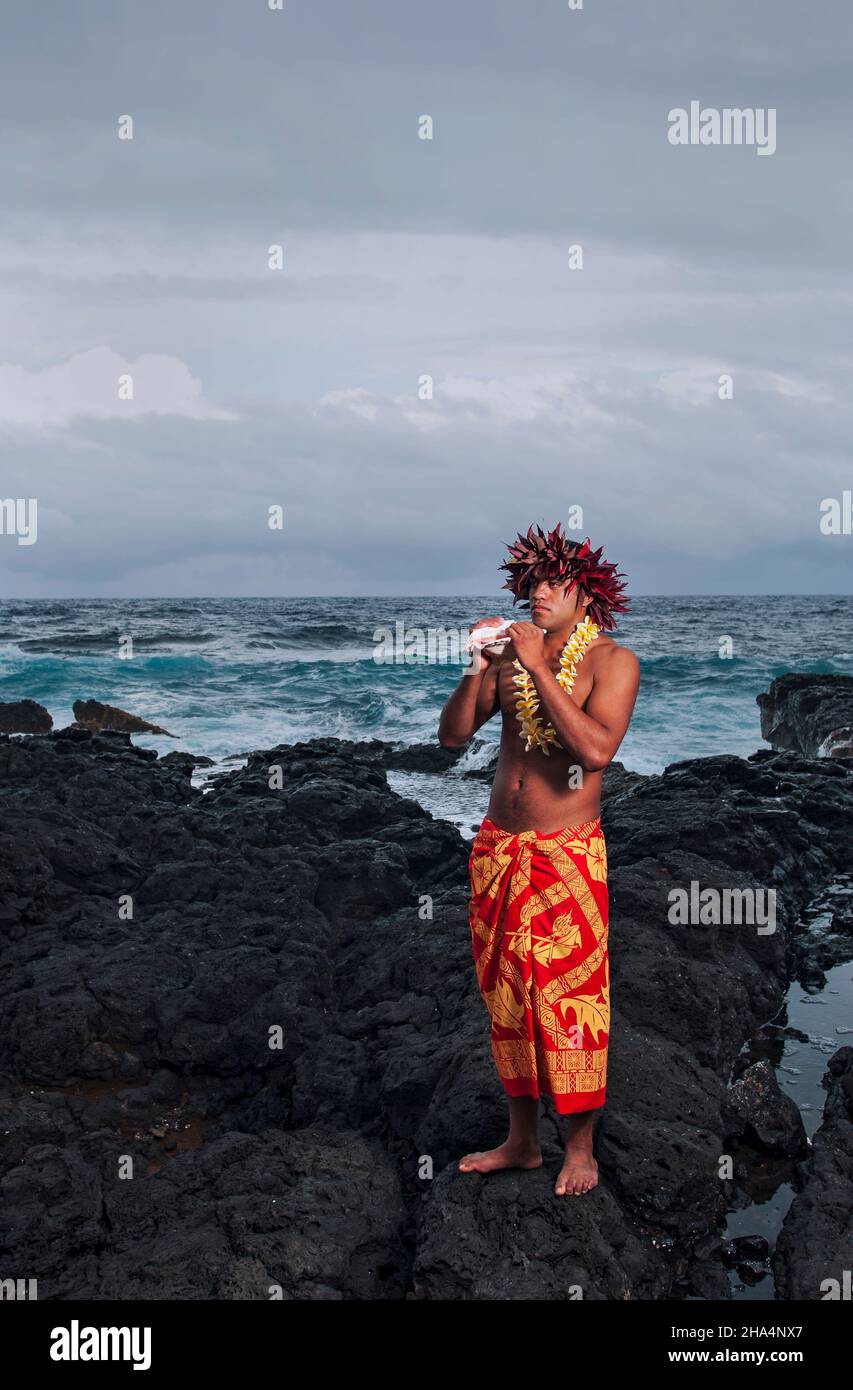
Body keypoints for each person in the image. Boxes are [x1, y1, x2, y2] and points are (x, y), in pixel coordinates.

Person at [437, 524, 640, 1196]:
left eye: (554, 585)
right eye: (532, 586)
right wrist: (479, 662)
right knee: (508, 999)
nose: (539, 595)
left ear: (587, 595)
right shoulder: (506, 659)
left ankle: (578, 1149)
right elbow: (451, 737)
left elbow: (595, 751)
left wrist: (534, 669)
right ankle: (522, 1141)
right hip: (499, 848)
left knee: (571, 1000)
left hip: (567, 854)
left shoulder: (611, 662)